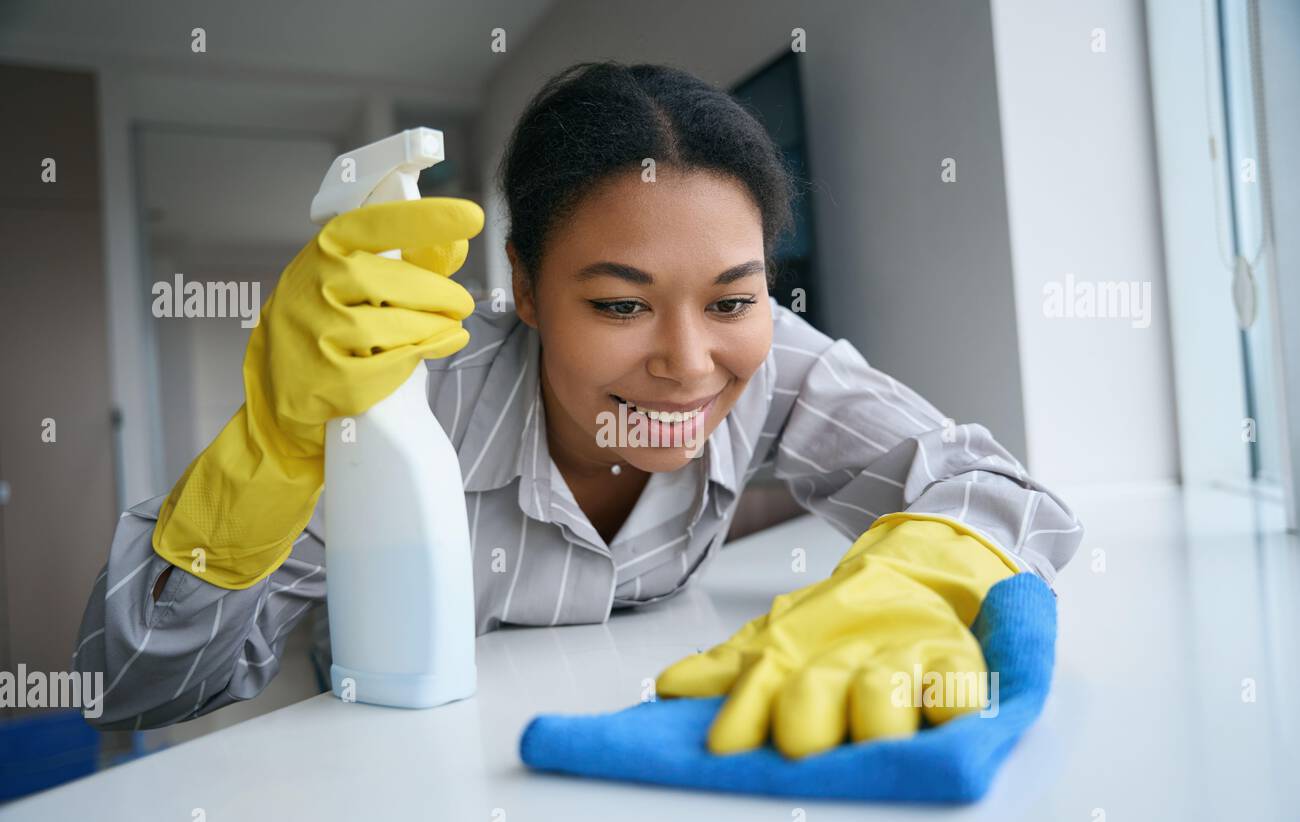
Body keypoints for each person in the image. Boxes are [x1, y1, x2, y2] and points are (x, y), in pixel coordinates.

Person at [74, 61, 1082, 741]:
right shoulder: (396, 404)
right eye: (618, 302)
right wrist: (273, 447)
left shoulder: (769, 358)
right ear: (522, 282)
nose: (688, 361)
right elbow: (126, 680)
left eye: (733, 295)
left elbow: (990, 483)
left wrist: (920, 577)